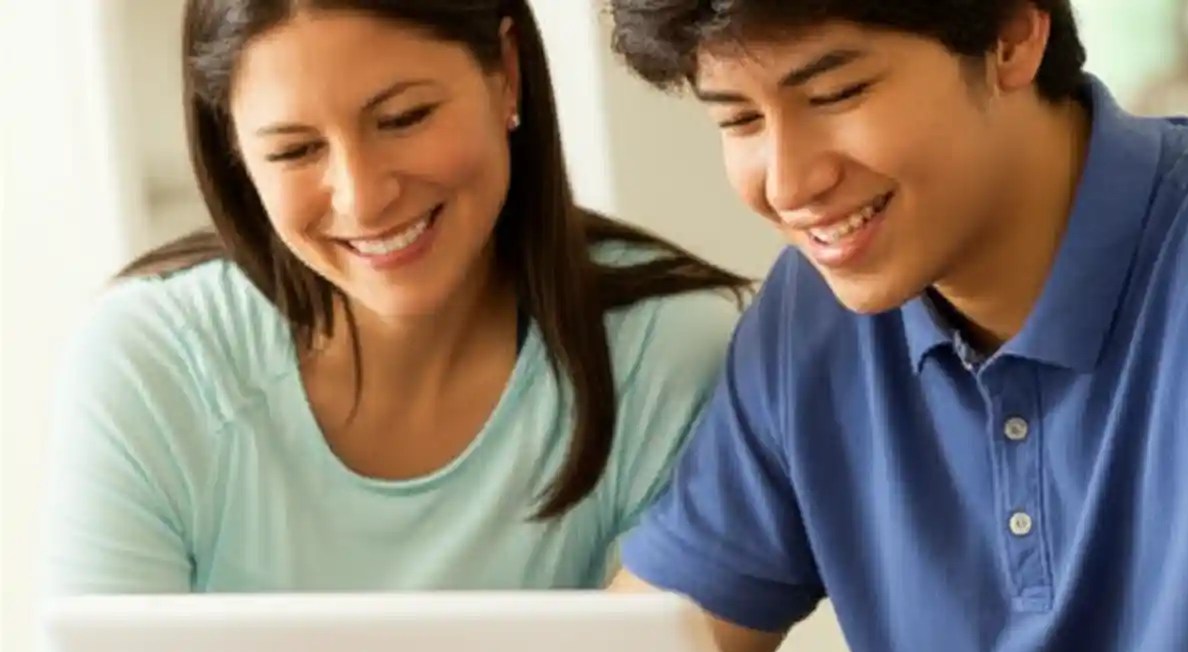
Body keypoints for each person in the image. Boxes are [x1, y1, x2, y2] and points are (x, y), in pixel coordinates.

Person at [606, 0, 1188, 652]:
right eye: (738, 119)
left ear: (1011, 36)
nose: (788, 185)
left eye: (837, 95)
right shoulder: (810, 321)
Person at [42, 0, 749, 597]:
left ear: (506, 74)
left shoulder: (668, 351)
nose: (362, 196)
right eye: (294, 152)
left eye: (404, 117)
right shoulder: (152, 364)